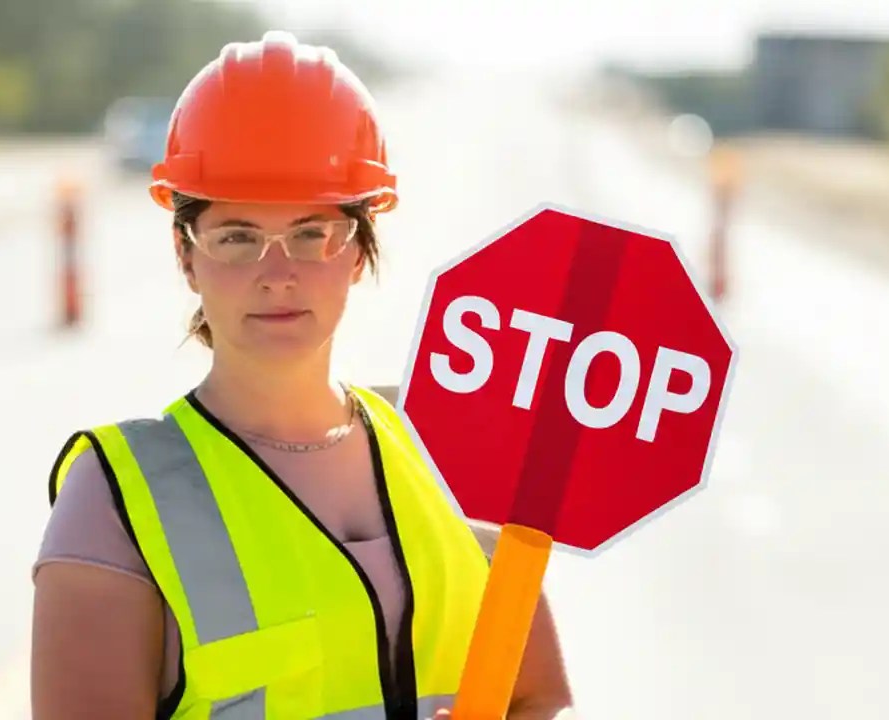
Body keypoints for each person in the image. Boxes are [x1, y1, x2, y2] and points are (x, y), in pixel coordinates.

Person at [31, 31, 575, 720]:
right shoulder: (118, 498)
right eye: (237, 236)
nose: (277, 273)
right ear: (186, 254)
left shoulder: (447, 450)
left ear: (358, 251)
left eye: (313, 232)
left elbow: (537, 697)